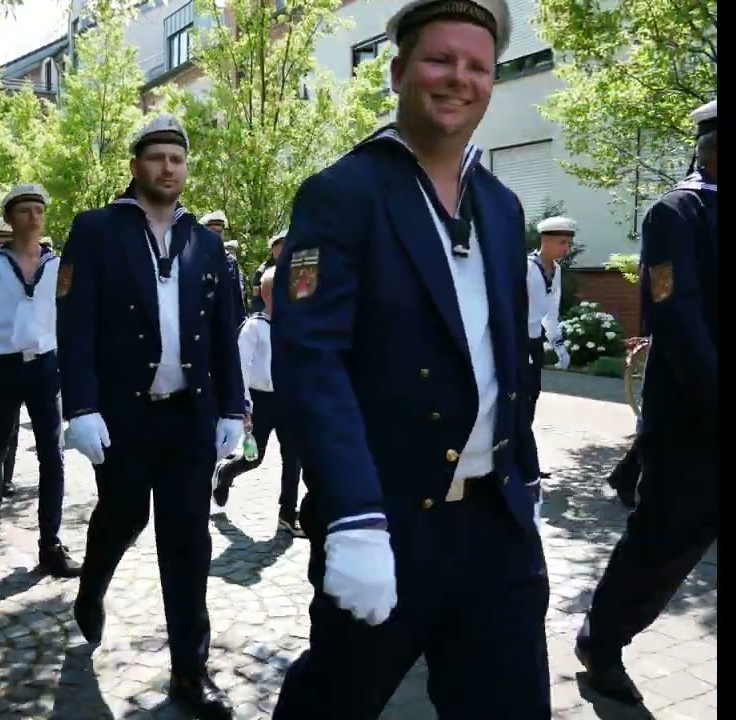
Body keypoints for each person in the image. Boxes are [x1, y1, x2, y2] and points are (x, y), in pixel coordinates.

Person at [269, 1, 550, 717]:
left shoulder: (501, 202)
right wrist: (353, 518)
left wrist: (527, 469)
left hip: (496, 521)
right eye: (439, 59)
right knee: (335, 699)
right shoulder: (342, 193)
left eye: (477, 66)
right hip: (390, 520)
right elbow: (310, 357)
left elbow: (505, 356)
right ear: (397, 71)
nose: (459, 78)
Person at [58, 114, 245, 720]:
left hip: (190, 417)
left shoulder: (208, 243)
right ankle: (91, 588)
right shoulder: (96, 230)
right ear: (136, 164)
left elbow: (225, 336)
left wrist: (235, 410)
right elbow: (76, 325)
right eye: (158, 156)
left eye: (178, 158)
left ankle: (190, 672)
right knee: (121, 515)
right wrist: (80, 406)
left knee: (188, 541)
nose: (170, 167)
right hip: (123, 415)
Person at [575, 98, 718, 706]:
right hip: (693, 417)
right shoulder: (677, 210)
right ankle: (602, 642)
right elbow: (677, 315)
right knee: (664, 544)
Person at [0, 186, 82, 577]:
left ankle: (50, 543)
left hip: (44, 368)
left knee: (52, 457)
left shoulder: (59, 266)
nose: (34, 216)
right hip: (0, 367)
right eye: (24, 210)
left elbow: (71, 321)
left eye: (39, 209)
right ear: (9, 219)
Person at [212, 266, 304, 537]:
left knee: (293, 457)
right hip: (260, 400)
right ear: (267, 294)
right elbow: (239, 367)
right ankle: (226, 472)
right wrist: (244, 405)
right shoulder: (254, 327)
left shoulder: (292, 327)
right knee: (254, 457)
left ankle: (287, 513)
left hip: (287, 398)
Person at [527, 215, 575, 481]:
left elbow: (551, 313)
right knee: (517, 401)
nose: (565, 249)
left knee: (531, 398)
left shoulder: (556, 270)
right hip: (516, 341)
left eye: (568, 244)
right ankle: (518, 463)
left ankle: (525, 461)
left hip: (533, 342)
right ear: (545, 240)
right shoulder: (526, 267)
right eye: (561, 242)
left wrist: (558, 344)